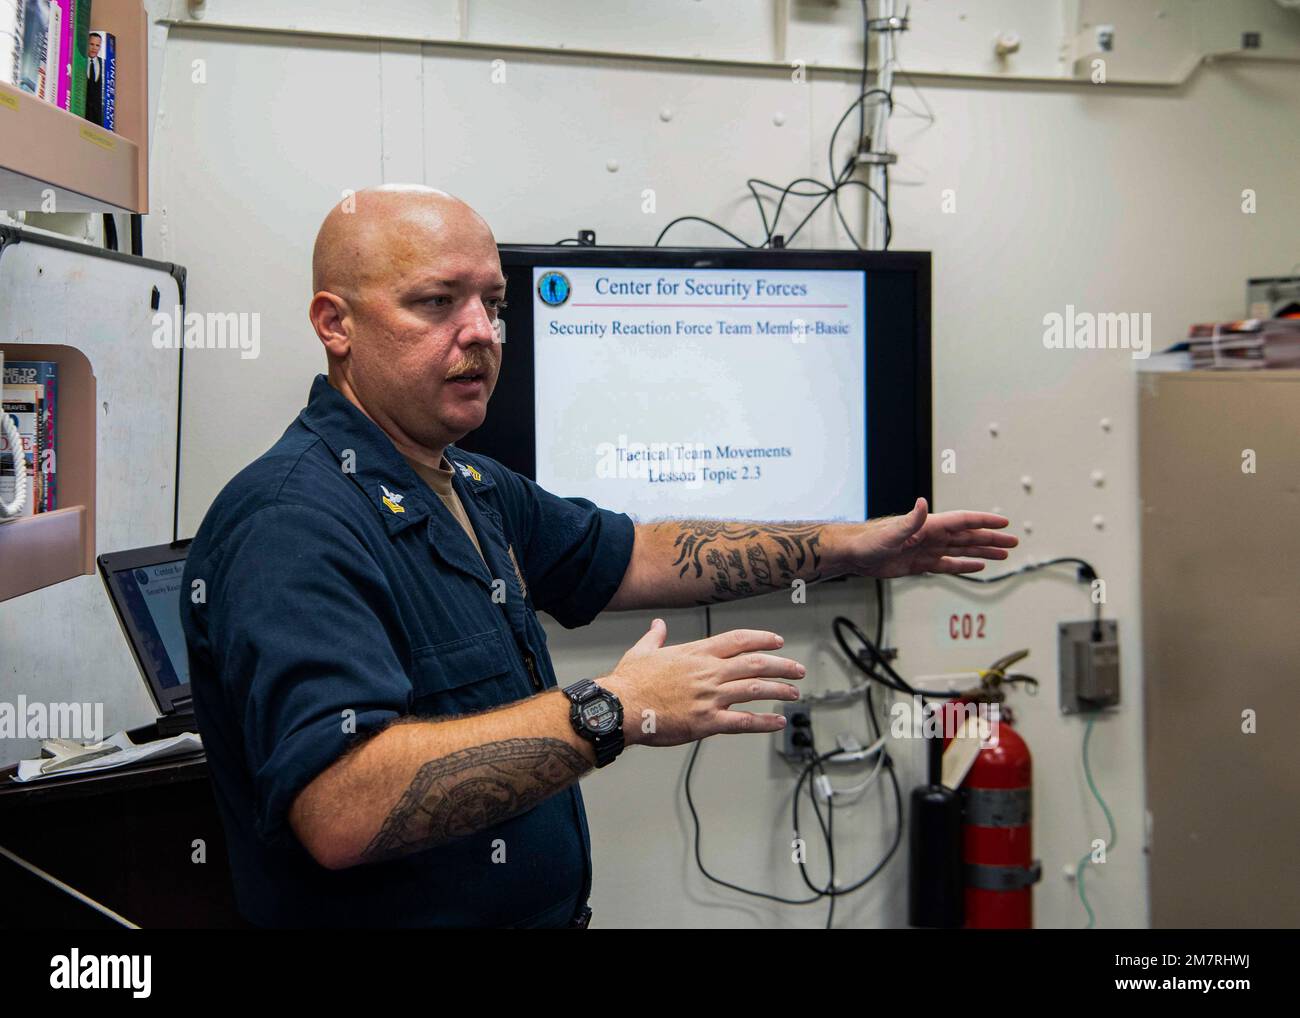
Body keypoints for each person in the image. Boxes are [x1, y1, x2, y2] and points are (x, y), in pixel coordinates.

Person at [180, 184, 1016, 928]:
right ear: (336, 324)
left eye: (492, 302)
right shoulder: (290, 521)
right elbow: (343, 808)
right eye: (436, 303)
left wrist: (847, 547)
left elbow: (634, 556)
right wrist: (608, 708)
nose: (480, 333)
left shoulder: (467, 481)